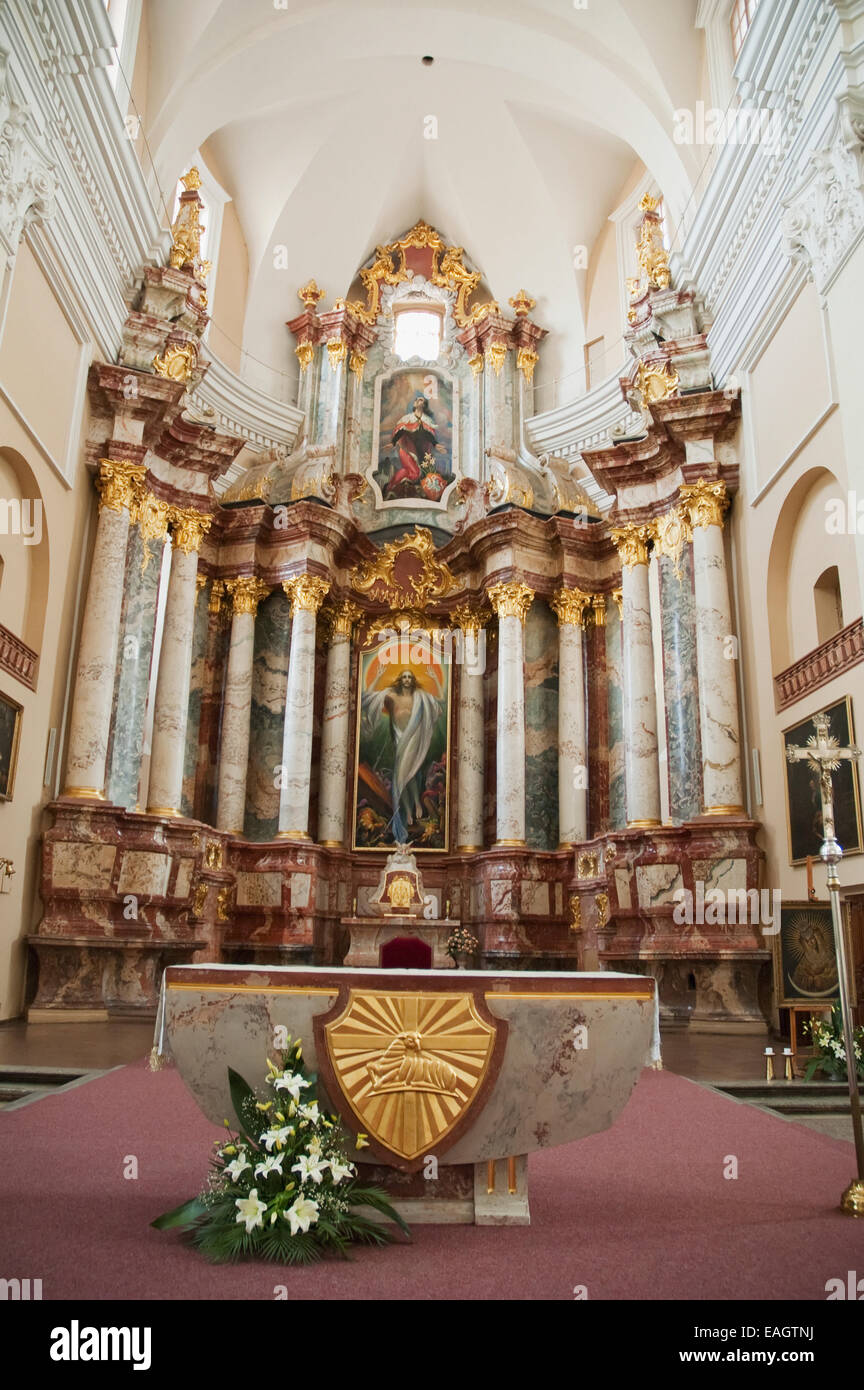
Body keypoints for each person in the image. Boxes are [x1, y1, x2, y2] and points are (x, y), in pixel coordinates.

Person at [361, 670, 443, 841]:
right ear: (400, 680)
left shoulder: (421, 697)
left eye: (410, 677)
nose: (407, 679)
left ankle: (417, 804)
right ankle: (407, 810)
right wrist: (376, 677)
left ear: (413, 680)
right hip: (400, 741)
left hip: (413, 739)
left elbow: (440, 706)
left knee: (411, 774)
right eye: (404, 676)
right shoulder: (391, 697)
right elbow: (367, 698)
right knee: (400, 779)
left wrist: (435, 679)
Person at [387, 393, 447, 496]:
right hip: (407, 449)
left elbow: (429, 433)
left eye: (422, 400)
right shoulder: (407, 418)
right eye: (418, 400)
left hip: (421, 450)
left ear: (424, 405)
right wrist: (393, 443)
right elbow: (401, 431)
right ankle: (391, 486)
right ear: (414, 404)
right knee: (414, 472)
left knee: (419, 474)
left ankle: (400, 486)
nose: (420, 401)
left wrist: (435, 444)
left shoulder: (427, 420)